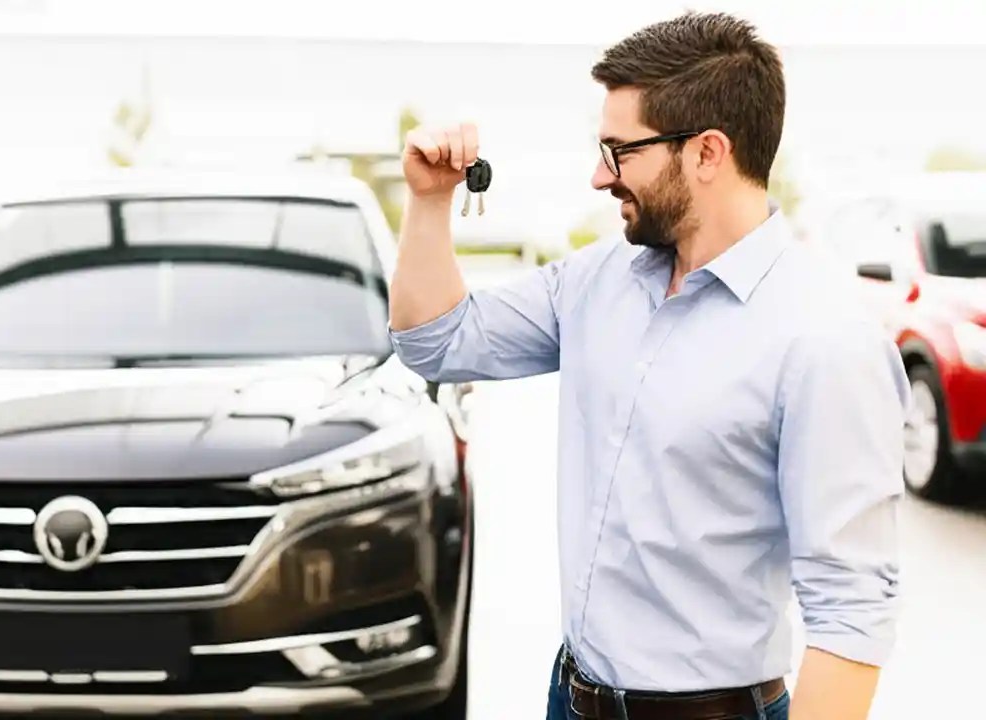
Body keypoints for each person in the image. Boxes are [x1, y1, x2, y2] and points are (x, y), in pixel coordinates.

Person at [387, 11, 908, 720]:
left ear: (706, 153)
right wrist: (429, 200)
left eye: (618, 150)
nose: (600, 176)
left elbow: (851, 613)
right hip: (571, 697)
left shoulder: (825, 337)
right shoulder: (598, 280)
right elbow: (438, 343)